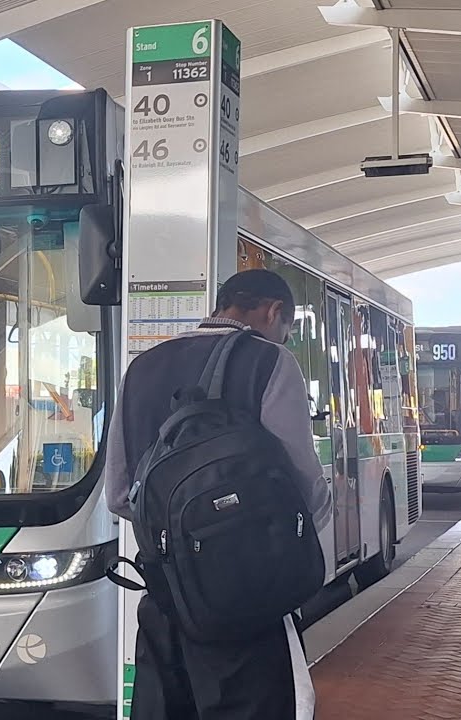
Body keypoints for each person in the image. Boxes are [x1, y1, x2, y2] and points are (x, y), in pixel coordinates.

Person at [102, 268, 333, 720]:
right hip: (248, 598)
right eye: (285, 329)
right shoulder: (270, 361)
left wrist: (181, 543)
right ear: (275, 312)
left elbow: (117, 494)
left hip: (165, 601)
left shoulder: (142, 366)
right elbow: (304, 484)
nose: (283, 337)